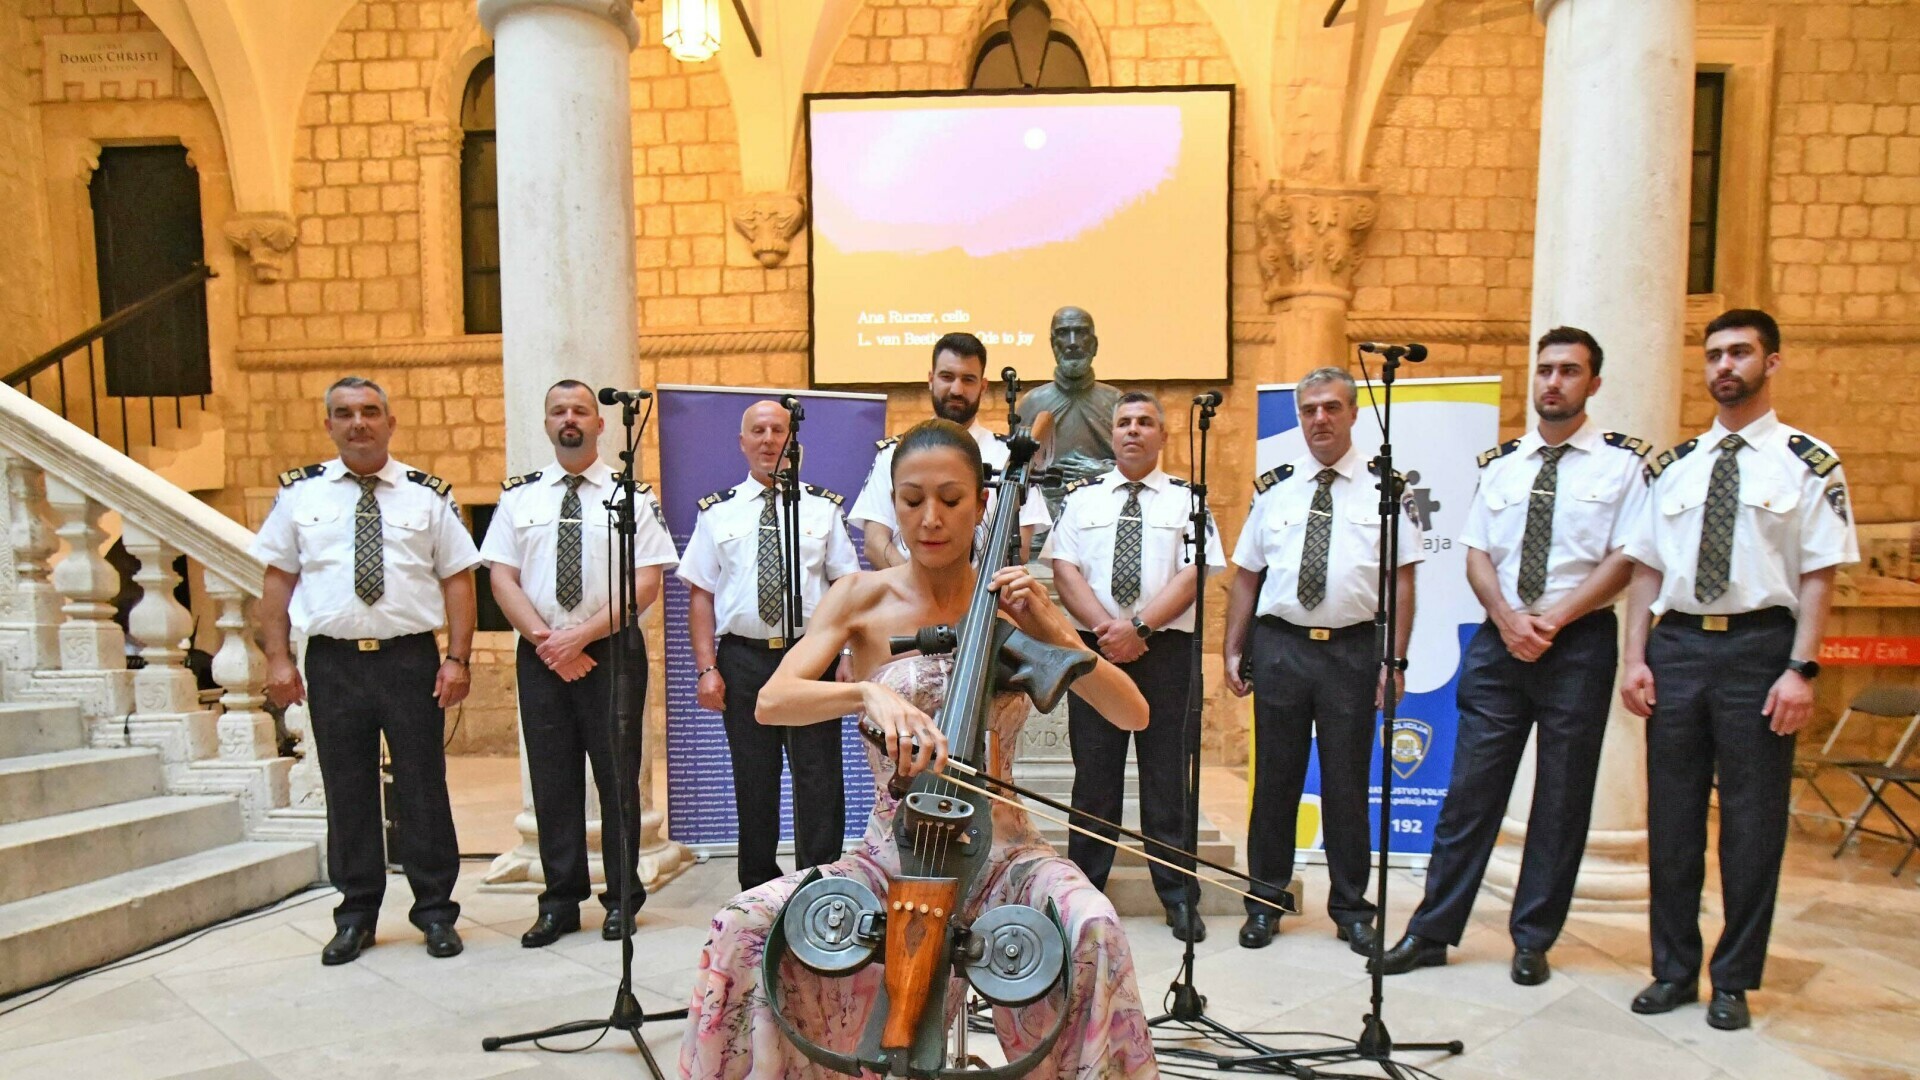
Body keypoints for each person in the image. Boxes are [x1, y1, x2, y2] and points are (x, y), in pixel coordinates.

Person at [680, 419, 1158, 1080]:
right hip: (891, 854)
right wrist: (865, 696)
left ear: (983, 505)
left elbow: (1132, 711)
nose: (930, 518)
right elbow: (772, 700)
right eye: (911, 500)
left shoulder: (1011, 607)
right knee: (745, 923)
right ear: (892, 502)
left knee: (1095, 929)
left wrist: (1054, 628)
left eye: (952, 500)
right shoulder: (860, 597)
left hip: (1006, 852)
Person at [1377, 327, 1647, 985]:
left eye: (1569, 371)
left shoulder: (1622, 466)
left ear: (1594, 384)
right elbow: (1476, 553)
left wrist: (1551, 619)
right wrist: (1506, 618)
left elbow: (1628, 557)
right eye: (1546, 369)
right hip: (1500, 641)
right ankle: (1432, 930)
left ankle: (1532, 939)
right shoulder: (1502, 463)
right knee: (1470, 793)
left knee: (1560, 798)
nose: (1553, 382)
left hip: (1575, 643)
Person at [1620, 309, 1857, 1031]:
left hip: (1761, 650)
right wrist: (1634, 656)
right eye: (1715, 354)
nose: (1725, 366)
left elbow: (1818, 576)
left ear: (1772, 362)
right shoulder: (1675, 466)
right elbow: (1643, 568)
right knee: (1673, 820)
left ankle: (1733, 979)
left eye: (1741, 353)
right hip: (1680, 647)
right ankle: (1673, 969)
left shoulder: (1807, 461)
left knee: (1753, 825)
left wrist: (1801, 670)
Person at [254, 376, 479, 965]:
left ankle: (435, 913)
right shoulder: (300, 497)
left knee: (423, 788)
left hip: (410, 659)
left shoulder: (426, 495)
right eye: (345, 413)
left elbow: (458, 579)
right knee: (347, 790)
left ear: (390, 422)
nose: (359, 422)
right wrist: (278, 660)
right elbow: (277, 582)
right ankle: (355, 914)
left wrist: (457, 657)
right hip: (334, 663)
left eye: (370, 412)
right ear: (327, 424)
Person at [1223, 366, 1422, 952]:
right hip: (1281, 646)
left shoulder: (1386, 489)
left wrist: (1397, 660)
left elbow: (1401, 581)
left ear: (1354, 413)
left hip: (1353, 652)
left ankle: (1352, 906)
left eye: (1332, 407)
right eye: (1309, 409)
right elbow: (1246, 576)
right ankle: (1266, 898)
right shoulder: (1275, 488)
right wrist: (1234, 646)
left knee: (1345, 784)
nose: (1320, 419)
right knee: (1275, 784)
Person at [478, 379, 679, 947]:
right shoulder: (520, 498)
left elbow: (646, 582)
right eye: (558, 410)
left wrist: (581, 638)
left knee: (618, 779)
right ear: (546, 424)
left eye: (580, 410)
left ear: (599, 423)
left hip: (612, 650)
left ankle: (621, 900)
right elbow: (501, 576)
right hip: (540, 652)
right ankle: (559, 902)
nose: (569, 418)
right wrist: (549, 642)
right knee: (553, 781)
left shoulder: (631, 496)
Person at [1044, 391, 1224, 943]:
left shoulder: (1187, 501)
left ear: (1163, 435)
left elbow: (1197, 572)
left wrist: (1139, 628)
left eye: (1145, 422)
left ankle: (1177, 896)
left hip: (1165, 653)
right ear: (1113, 433)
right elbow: (1063, 567)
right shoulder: (1083, 501)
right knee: (1094, 779)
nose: (1133, 431)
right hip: (1096, 653)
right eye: (1124, 422)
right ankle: (1085, 896)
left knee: (1167, 778)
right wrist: (1108, 631)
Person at [678, 400, 862, 891]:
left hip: (810, 657)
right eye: (757, 431)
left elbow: (847, 587)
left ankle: (818, 881)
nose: (767, 439)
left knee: (818, 776)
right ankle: (758, 885)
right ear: (742, 443)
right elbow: (702, 595)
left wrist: (846, 655)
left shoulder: (822, 508)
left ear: (792, 439)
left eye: (777, 430)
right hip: (743, 658)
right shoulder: (717, 514)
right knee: (754, 779)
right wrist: (705, 669)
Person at [848, 331, 1050, 567]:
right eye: (947, 377)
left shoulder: (1011, 457)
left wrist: (969, 595)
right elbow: (874, 543)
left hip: (981, 597)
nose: (956, 389)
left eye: (968, 379)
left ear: (983, 386)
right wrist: (917, 589)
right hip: (907, 599)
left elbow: (1020, 549)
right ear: (931, 379)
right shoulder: (893, 454)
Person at [1016, 306, 1126, 509]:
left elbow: (1138, 469)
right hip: (1045, 519)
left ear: (1094, 345)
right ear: (1052, 345)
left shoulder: (1118, 403)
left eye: (1081, 333)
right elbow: (1017, 474)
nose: (1073, 343)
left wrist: (1105, 471)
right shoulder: (1031, 404)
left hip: (1104, 513)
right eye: (1063, 334)